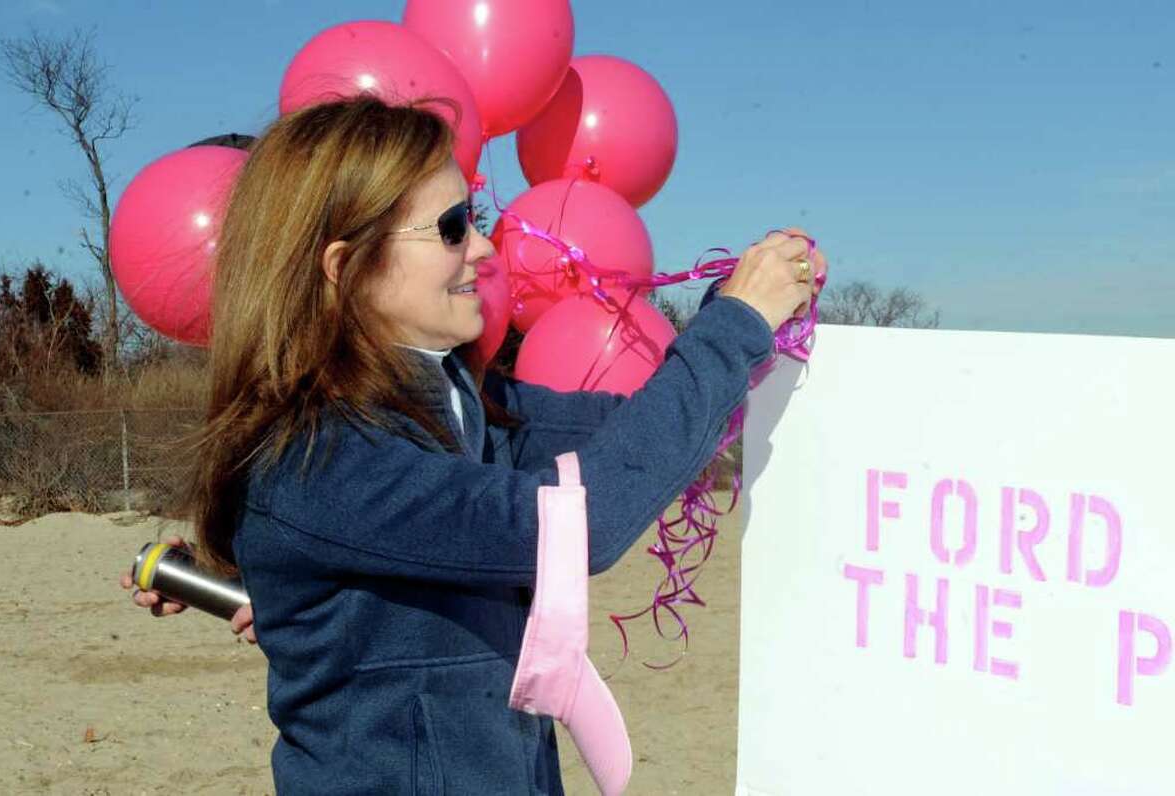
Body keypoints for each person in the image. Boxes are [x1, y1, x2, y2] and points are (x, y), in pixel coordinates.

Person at [121, 96, 821, 794]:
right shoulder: (318, 460)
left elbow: (634, 429)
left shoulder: (455, 398)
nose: (484, 249)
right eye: (453, 228)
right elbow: (577, 522)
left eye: (475, 219)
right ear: (347, 266)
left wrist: (736, 322)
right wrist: (734, 327)